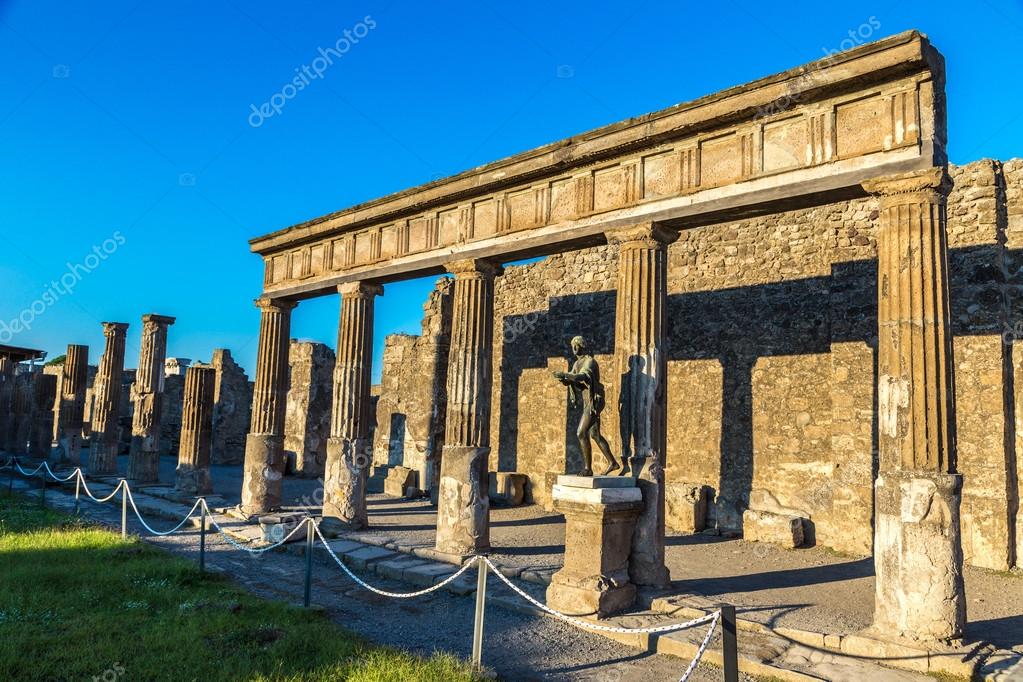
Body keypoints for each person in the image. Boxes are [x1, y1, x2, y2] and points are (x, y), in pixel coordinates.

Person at [552, 336, 626, 476]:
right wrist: (564, 379)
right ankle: (613, 463)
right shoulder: (577, 363)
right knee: (595, 435)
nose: (573, 348)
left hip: (595, 401)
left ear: (582, 346)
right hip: (588, 401)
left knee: (580, 433)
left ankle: (588, 468)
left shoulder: (589, 361)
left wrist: (567, 375)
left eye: (576, 345)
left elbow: (582, 377)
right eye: (572, 345)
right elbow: (574, 380)